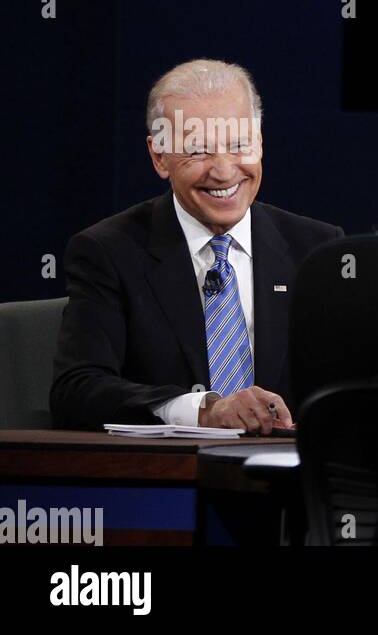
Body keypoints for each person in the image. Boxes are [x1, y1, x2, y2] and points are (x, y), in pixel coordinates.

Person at [51, 59, 343, 435]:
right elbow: (76, 391)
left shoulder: (317, 250)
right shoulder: (108, 252)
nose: (223, 171)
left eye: (240, 145)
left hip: (290, 482)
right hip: (164, 481)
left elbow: (353, 385)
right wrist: (201, 411)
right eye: (199, 150)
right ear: (160, 156)